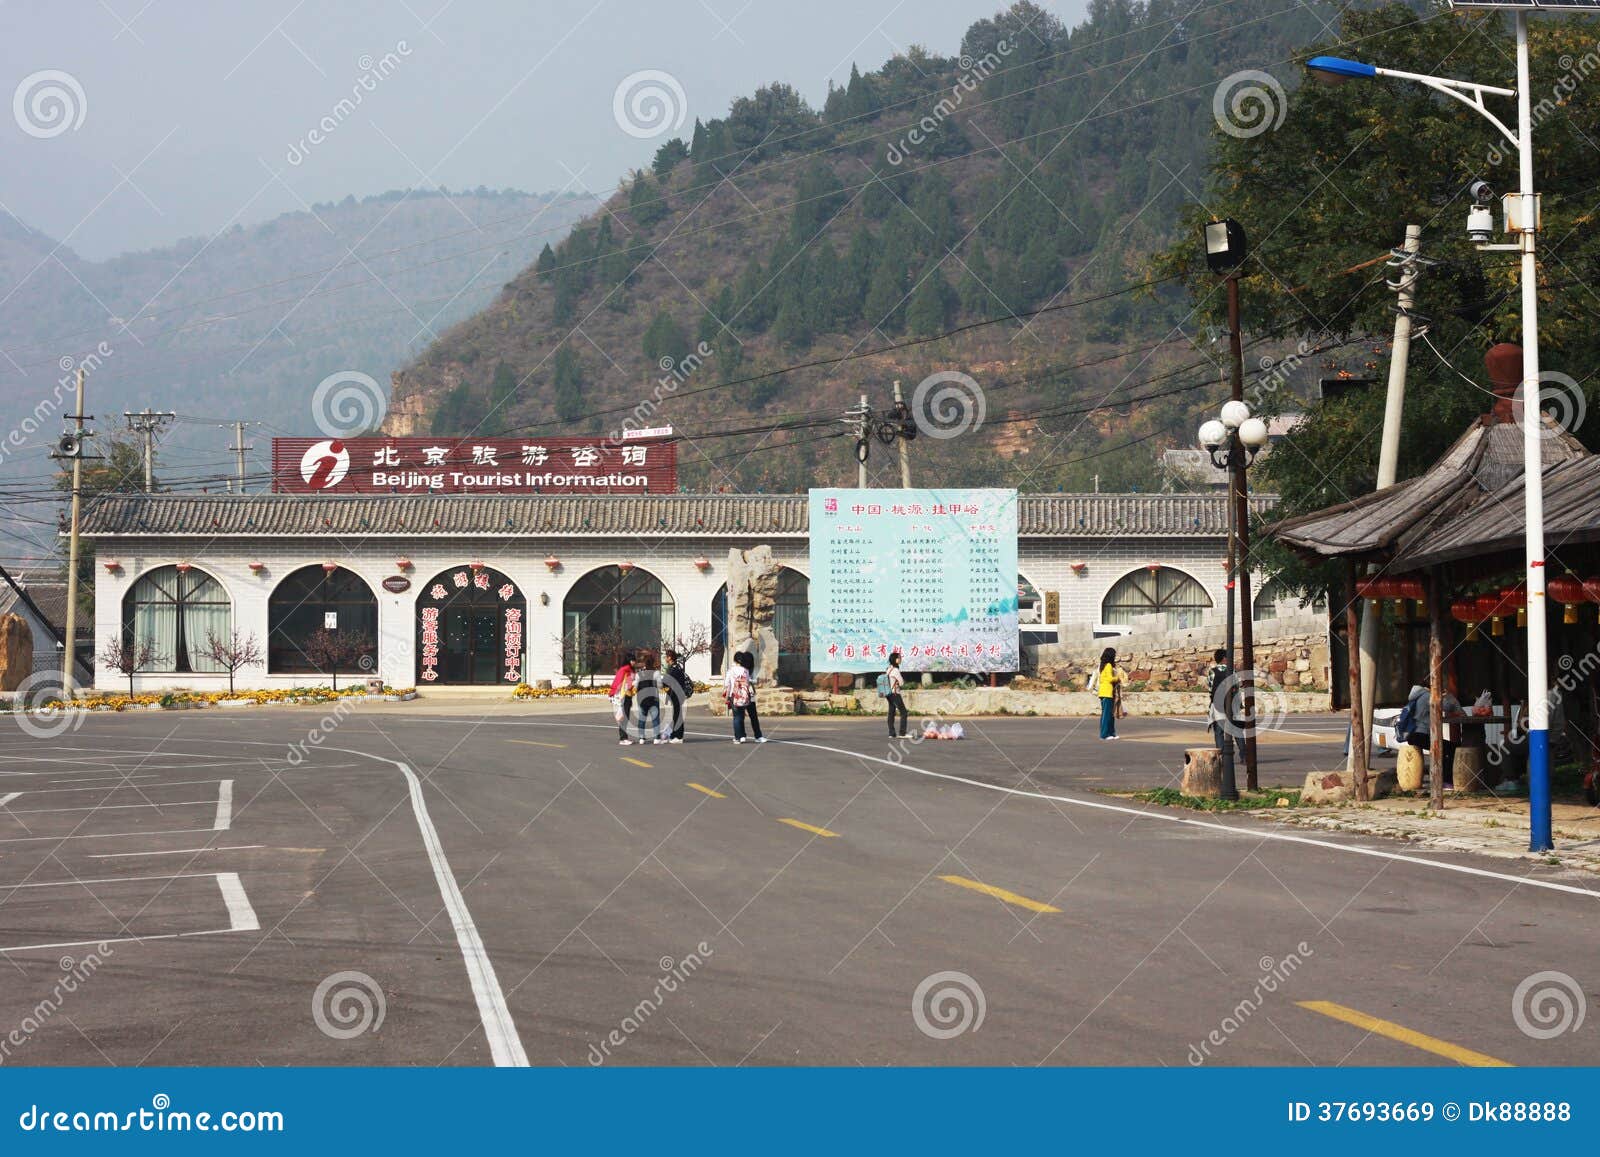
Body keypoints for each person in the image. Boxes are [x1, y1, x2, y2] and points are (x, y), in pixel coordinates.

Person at [1402, 682, 1460, 788]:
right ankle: (1446, 781)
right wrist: (1449, 695)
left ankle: (1441, 779)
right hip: (1420, 735)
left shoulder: (1418, 694)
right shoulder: (1428, 696)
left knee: (1447, 747)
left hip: (1414, 734)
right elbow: (1447, 707)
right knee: (1451, 748)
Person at [1206, 649, 1245, 764]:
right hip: (1231, 705)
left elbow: (1210, 688)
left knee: (1219, 732)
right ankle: (1244, 755)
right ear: (1224, 658)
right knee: (1237, 731)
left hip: (1218, 706)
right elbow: (1237, 687)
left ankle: (1221, 758)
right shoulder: (1231, 671)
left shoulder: (1212, 671)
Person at [725, 650, 766, 743]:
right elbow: (749, 681)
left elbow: (727, 684)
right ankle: (757, 736)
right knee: (752, 716)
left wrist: (727, 696)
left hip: (735, 695)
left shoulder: (732, 670)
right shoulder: (746, 670)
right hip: (747, 695)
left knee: (738, 717)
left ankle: (739, 737)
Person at [610, 651, 639, 745]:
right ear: (629, 660)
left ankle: (624, 738)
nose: (634, 662)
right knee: (624, 717)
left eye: (634, 660)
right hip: (624, 696)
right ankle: (623, 738)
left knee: (625, 717)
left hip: (628, 695)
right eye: (633, 660)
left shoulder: (630, 670)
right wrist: (612, 692)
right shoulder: (625, 670)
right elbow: (618, 681)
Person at [661, 648, 690, 744]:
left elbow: (666, 680)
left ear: (670, 658)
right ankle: (675, 734)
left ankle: (678, 736)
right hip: (677, 694)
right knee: (677, 715)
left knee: (678, 716)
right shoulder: (676, 667)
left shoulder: (674, 668)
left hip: (677, 694)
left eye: (666, 656)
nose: (665, 658)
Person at [1096, 647, 1121, 740]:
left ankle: (1111, 733)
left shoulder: (1103, 666)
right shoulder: (1108, 666)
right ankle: (1104, 734)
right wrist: (1117, 678)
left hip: (1104, 692)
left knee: (1110, 714)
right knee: (1107, 715)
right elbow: (1110, 679)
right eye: (1114, 655)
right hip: (1107, 692)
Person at [883, 651, 908, 738]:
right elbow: (901, 683)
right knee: (904, 712)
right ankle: (902, 733)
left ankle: (891, 733)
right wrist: (899, 682)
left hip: (888, 694)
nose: (900, 659)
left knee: (891, 713)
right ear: (895, 659)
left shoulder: (888, 669)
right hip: (895, 693)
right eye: (899, 657)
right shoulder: (896, 670)